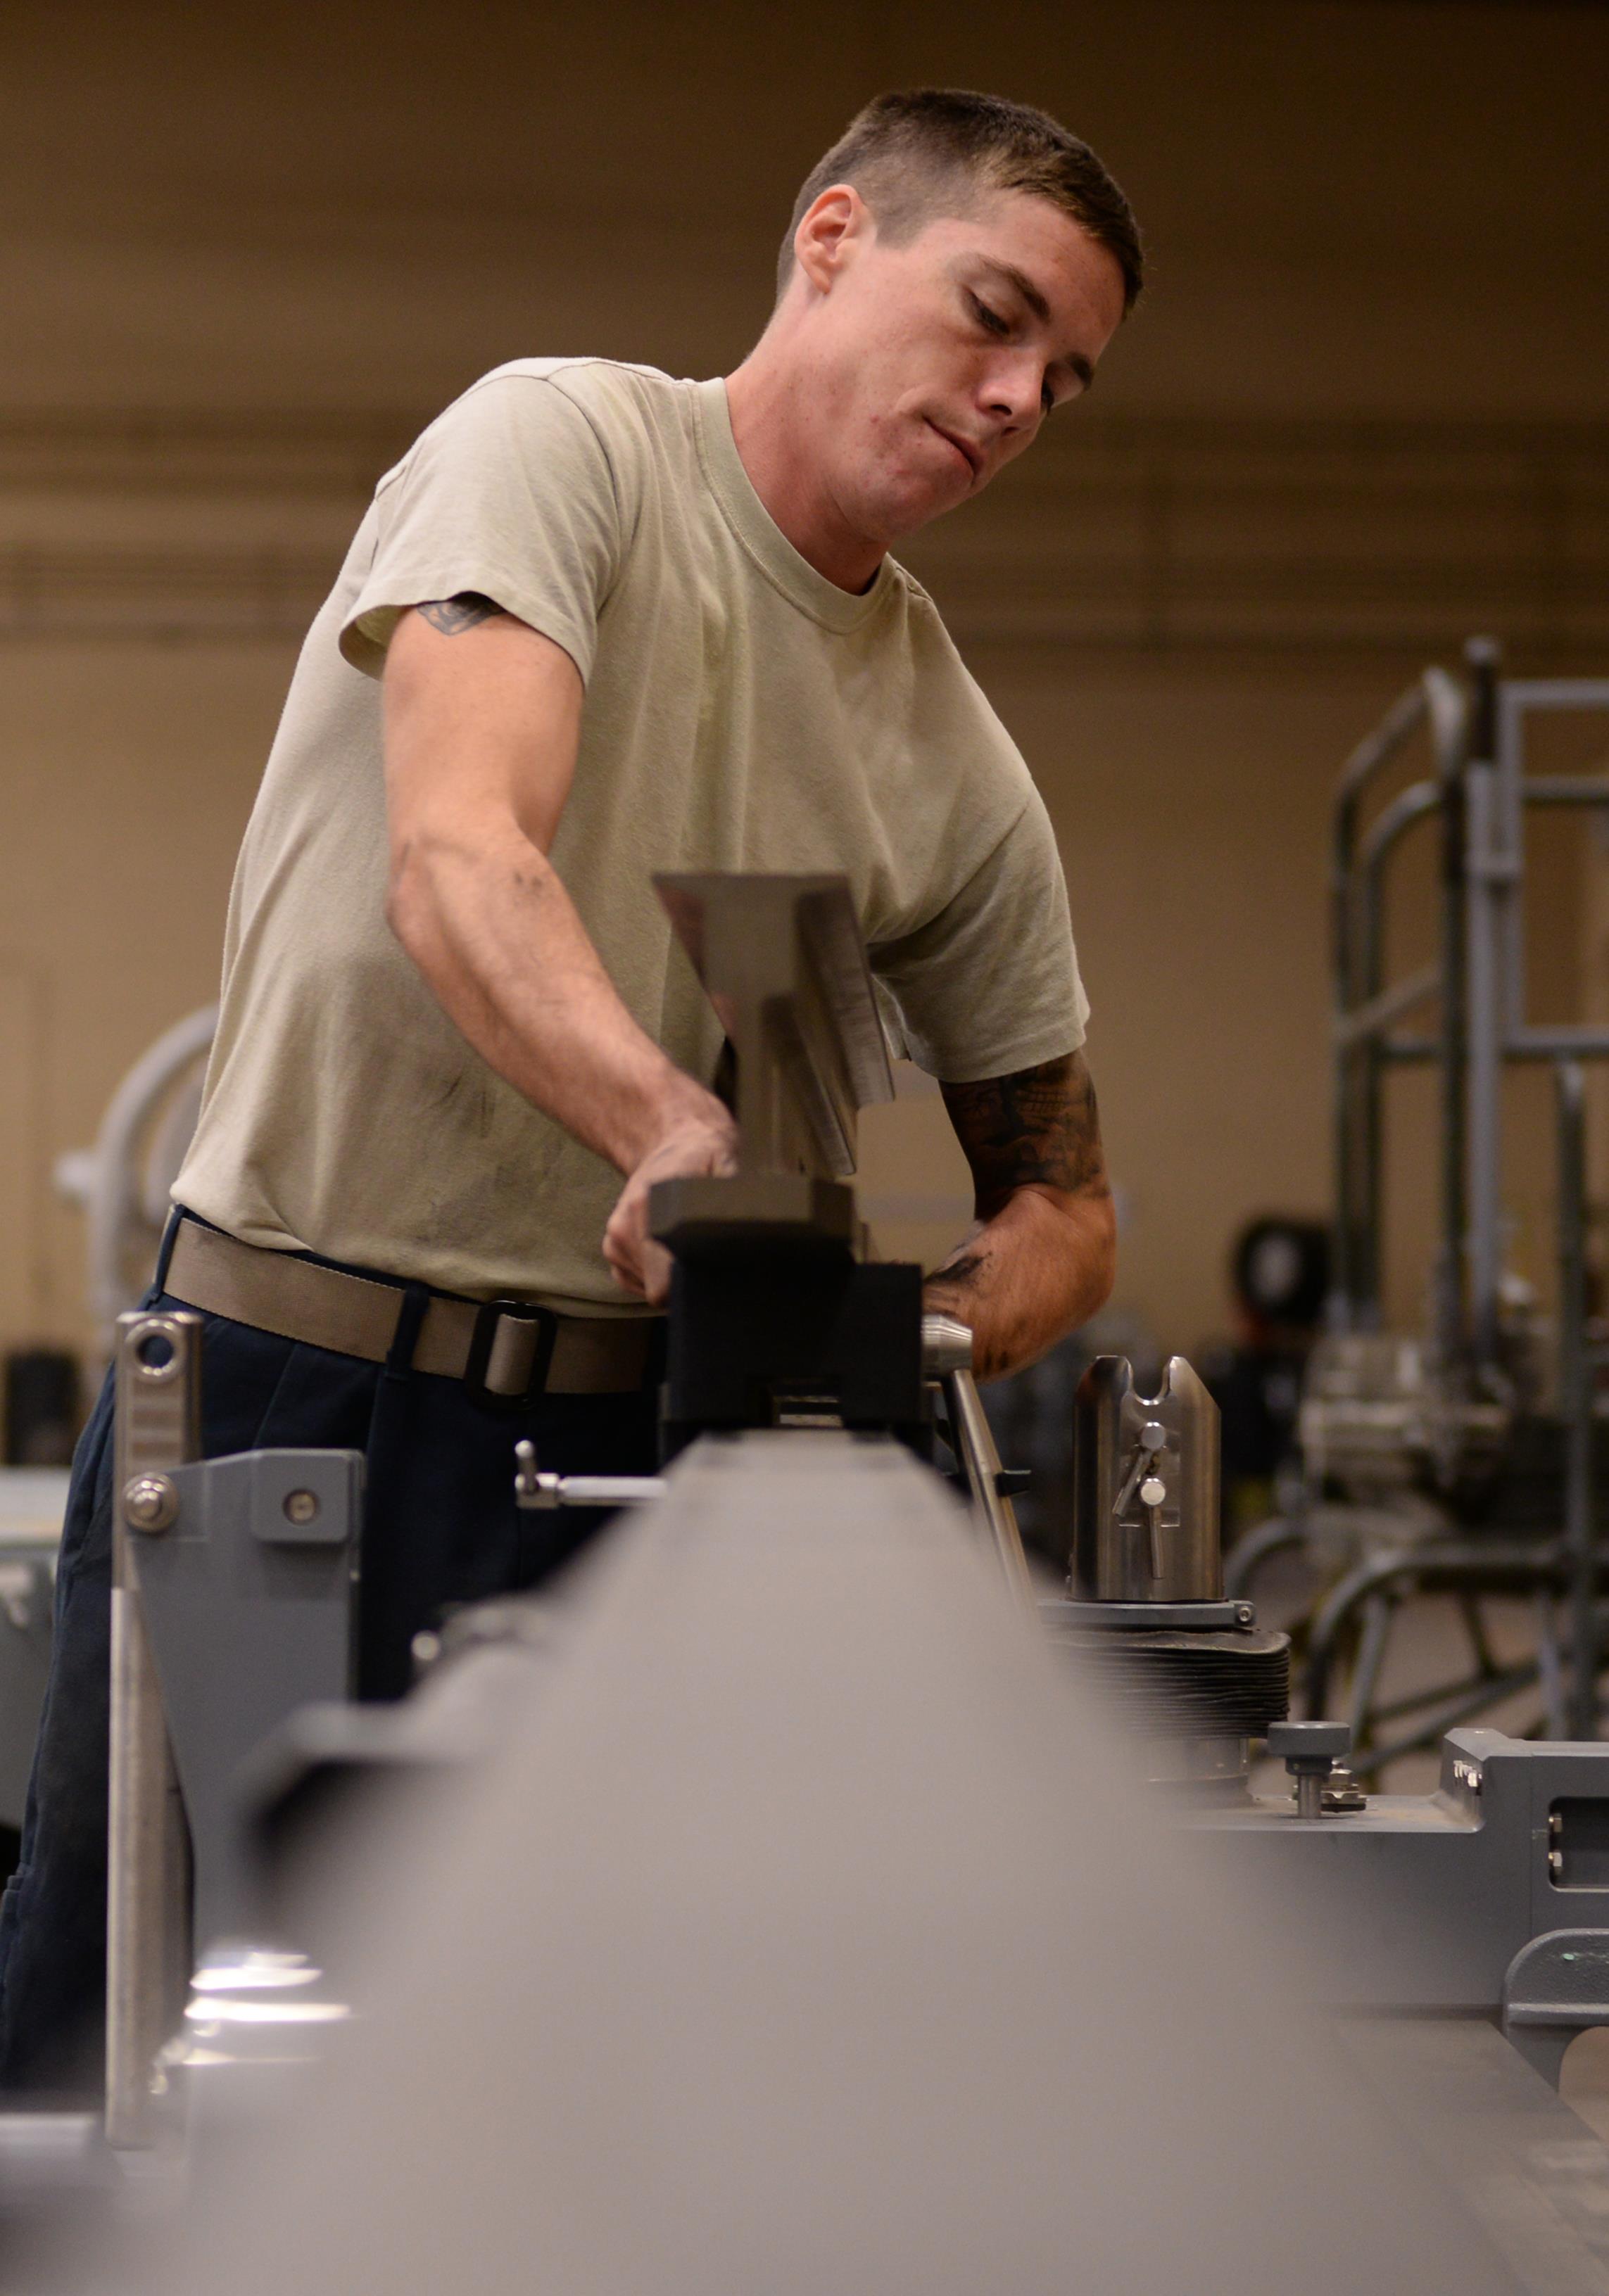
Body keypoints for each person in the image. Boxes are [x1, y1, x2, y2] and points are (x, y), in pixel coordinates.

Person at [0, 86, 1140, 2086]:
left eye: (1065, 379)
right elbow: (457, 852)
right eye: (994, 314)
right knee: (111, 2056)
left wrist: (902, 1335)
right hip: (294, 1403)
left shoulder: (954, 762)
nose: (1018, 398)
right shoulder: (564, 453)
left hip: (649, 1470)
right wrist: (669, 1129)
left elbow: (1070, 1210)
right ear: (833, 238)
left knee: (572, 2104)